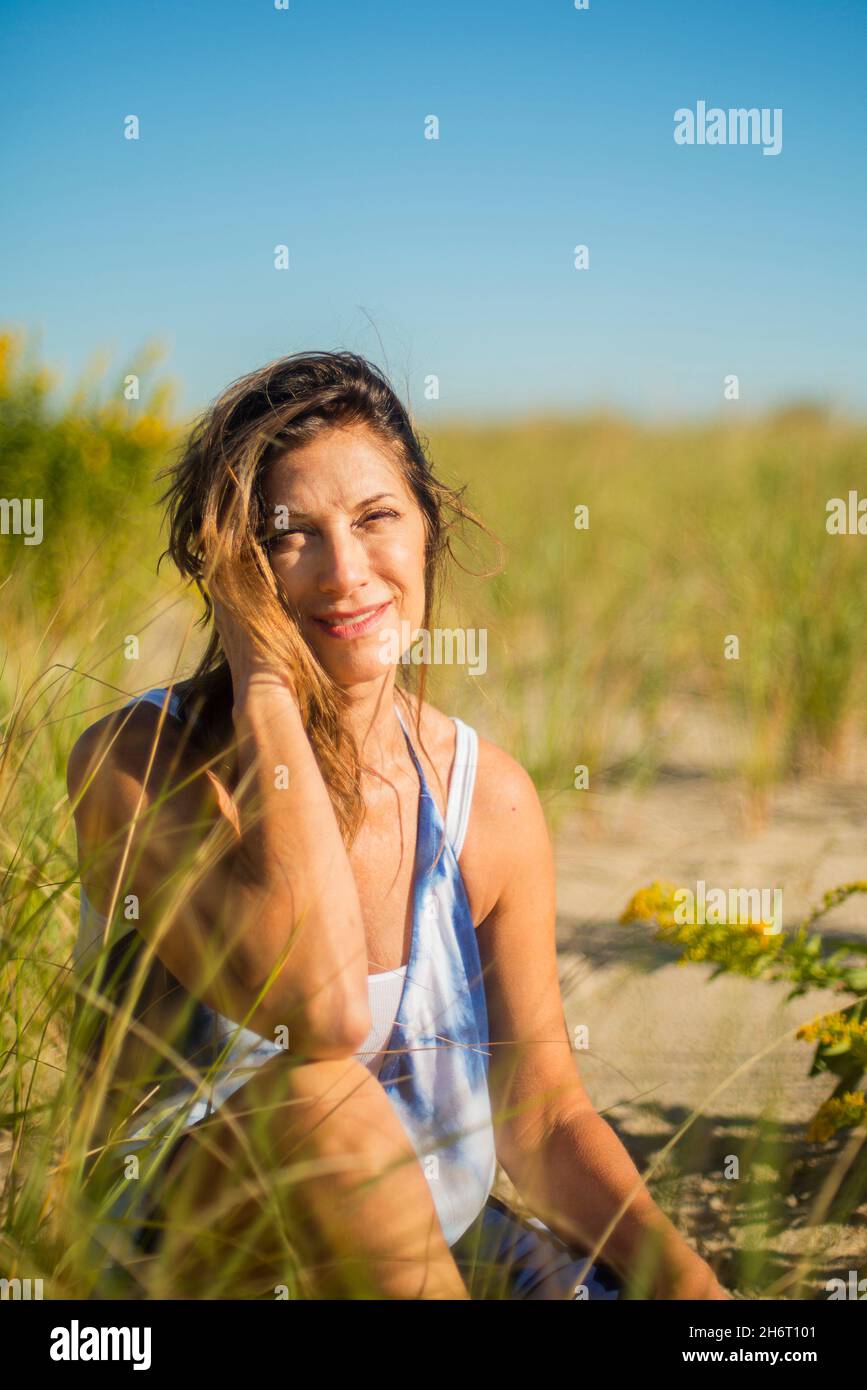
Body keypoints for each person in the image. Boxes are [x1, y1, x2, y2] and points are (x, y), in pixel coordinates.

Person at [66, 350, 729, 1300]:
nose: (346, 573)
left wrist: (693, 1287)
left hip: (432, 1243)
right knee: (325, 1095)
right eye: (290, 537)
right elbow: (322, 1013)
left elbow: (540, 1122)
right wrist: (262, 682)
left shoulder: (485, 798)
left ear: (428, 527)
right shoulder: (137, 764)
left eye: (377, 518)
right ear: (229, 570)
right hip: (185, 1257)